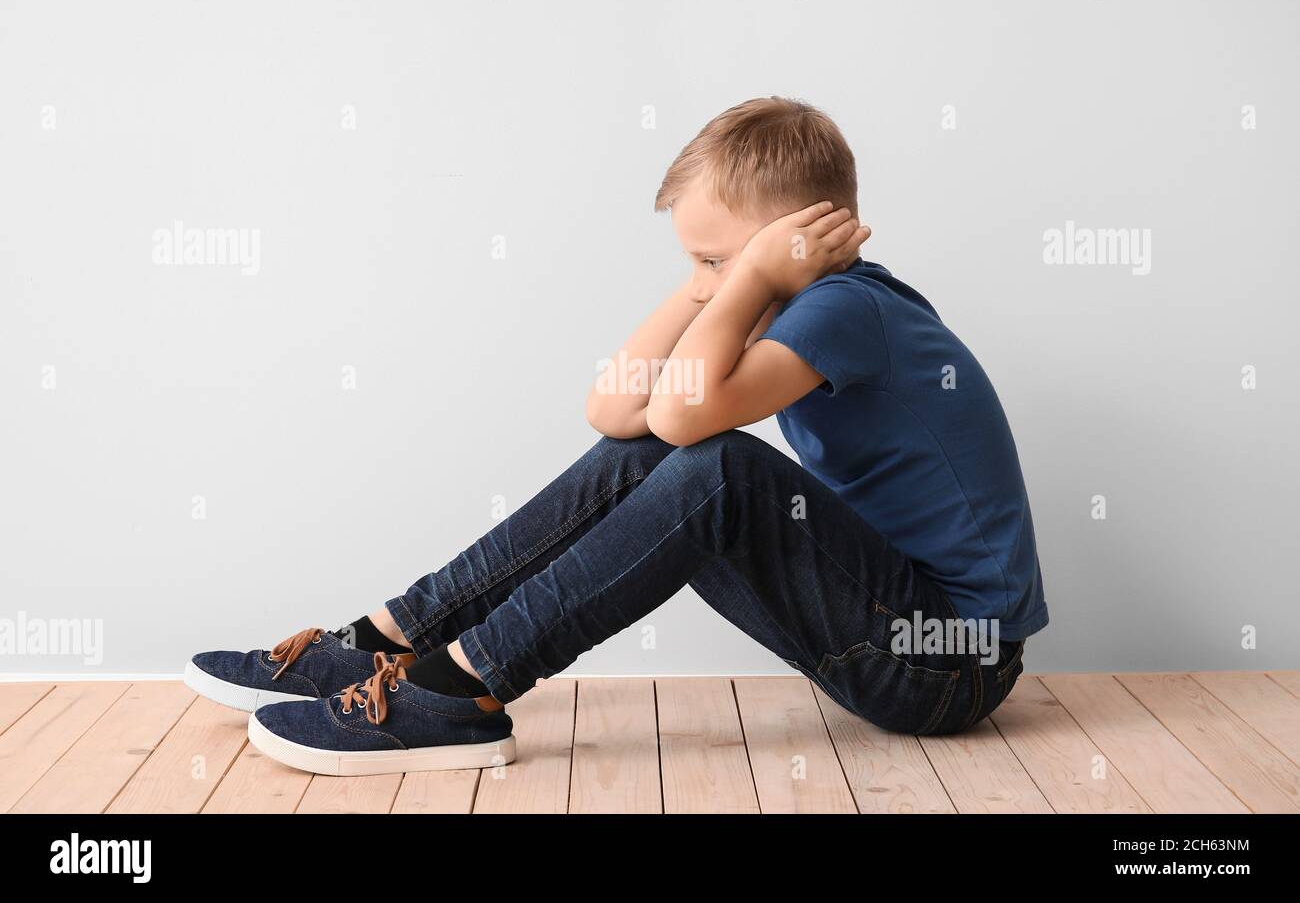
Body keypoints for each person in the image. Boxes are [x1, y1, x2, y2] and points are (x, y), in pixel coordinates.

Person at [185, 96, 1048, 776]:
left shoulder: (848, 309)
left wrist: (744, 279)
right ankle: (388, 642)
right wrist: (716, 283)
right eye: (698, 262)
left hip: (948, 665)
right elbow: (618, 413)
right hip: (893, 632)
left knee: (723, 471)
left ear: (793, 243)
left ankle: (460, 689)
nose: (709, 282)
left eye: (719, 261)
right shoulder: (783, 305)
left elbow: (681, 420)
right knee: (654, 455)